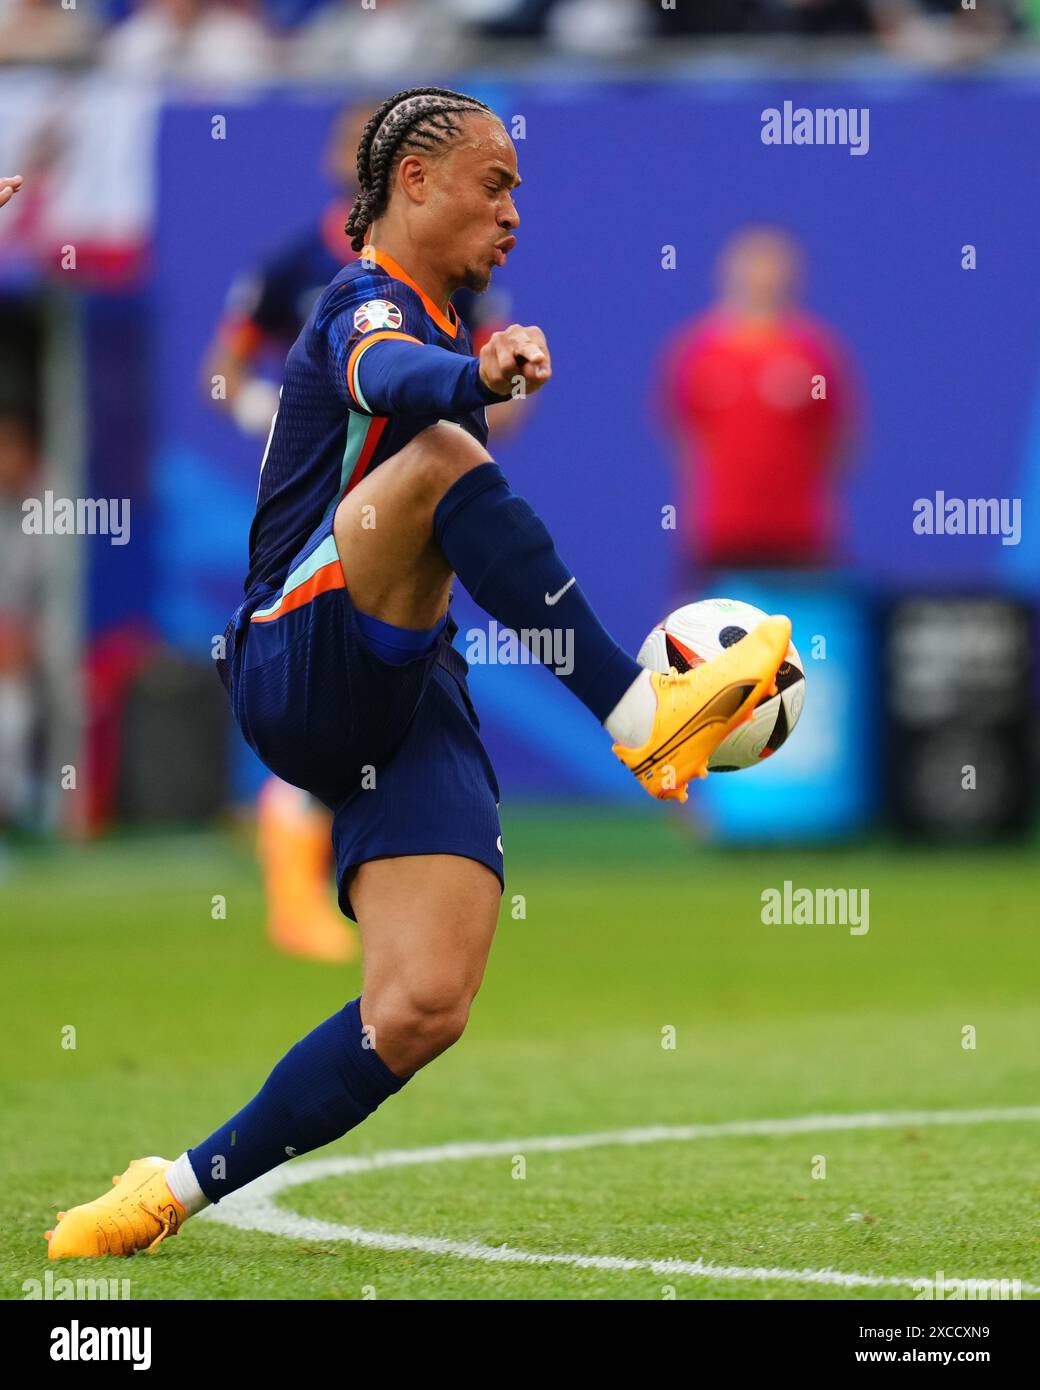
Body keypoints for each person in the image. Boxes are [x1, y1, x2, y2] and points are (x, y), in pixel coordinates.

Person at [46, 87, 789, 1258]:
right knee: (445, 456)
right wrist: (472, 383)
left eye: (517, 193)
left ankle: (171, 1187)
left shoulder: (450, 321)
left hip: (404, 689)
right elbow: (391, 379)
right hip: (296, 654)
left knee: (420, 1006)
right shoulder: (358, 300)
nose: (512, 213)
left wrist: (471, 373)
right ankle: (639, 707)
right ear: (414, 183)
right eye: (494, 185)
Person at [203, 103, 524, 966]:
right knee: (318, 661)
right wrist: (257, 408)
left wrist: (477, 409)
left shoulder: (455, 267)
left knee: (390, 683)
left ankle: (367, 887)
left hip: (405, 492)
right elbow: (225, 362)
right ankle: (292, 891)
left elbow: (492, 373)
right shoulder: (305, 263)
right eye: (348, 142)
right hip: (322, 490)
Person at [658, 226, 855, 580]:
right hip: (720, 535)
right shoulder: (698, 352)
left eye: (772, 267)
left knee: (797, 633)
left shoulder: (814, 353)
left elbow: (837, 438)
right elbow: (682, 435)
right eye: (754, 266)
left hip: (799, 537)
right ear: (730, 274)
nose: (763, 278)